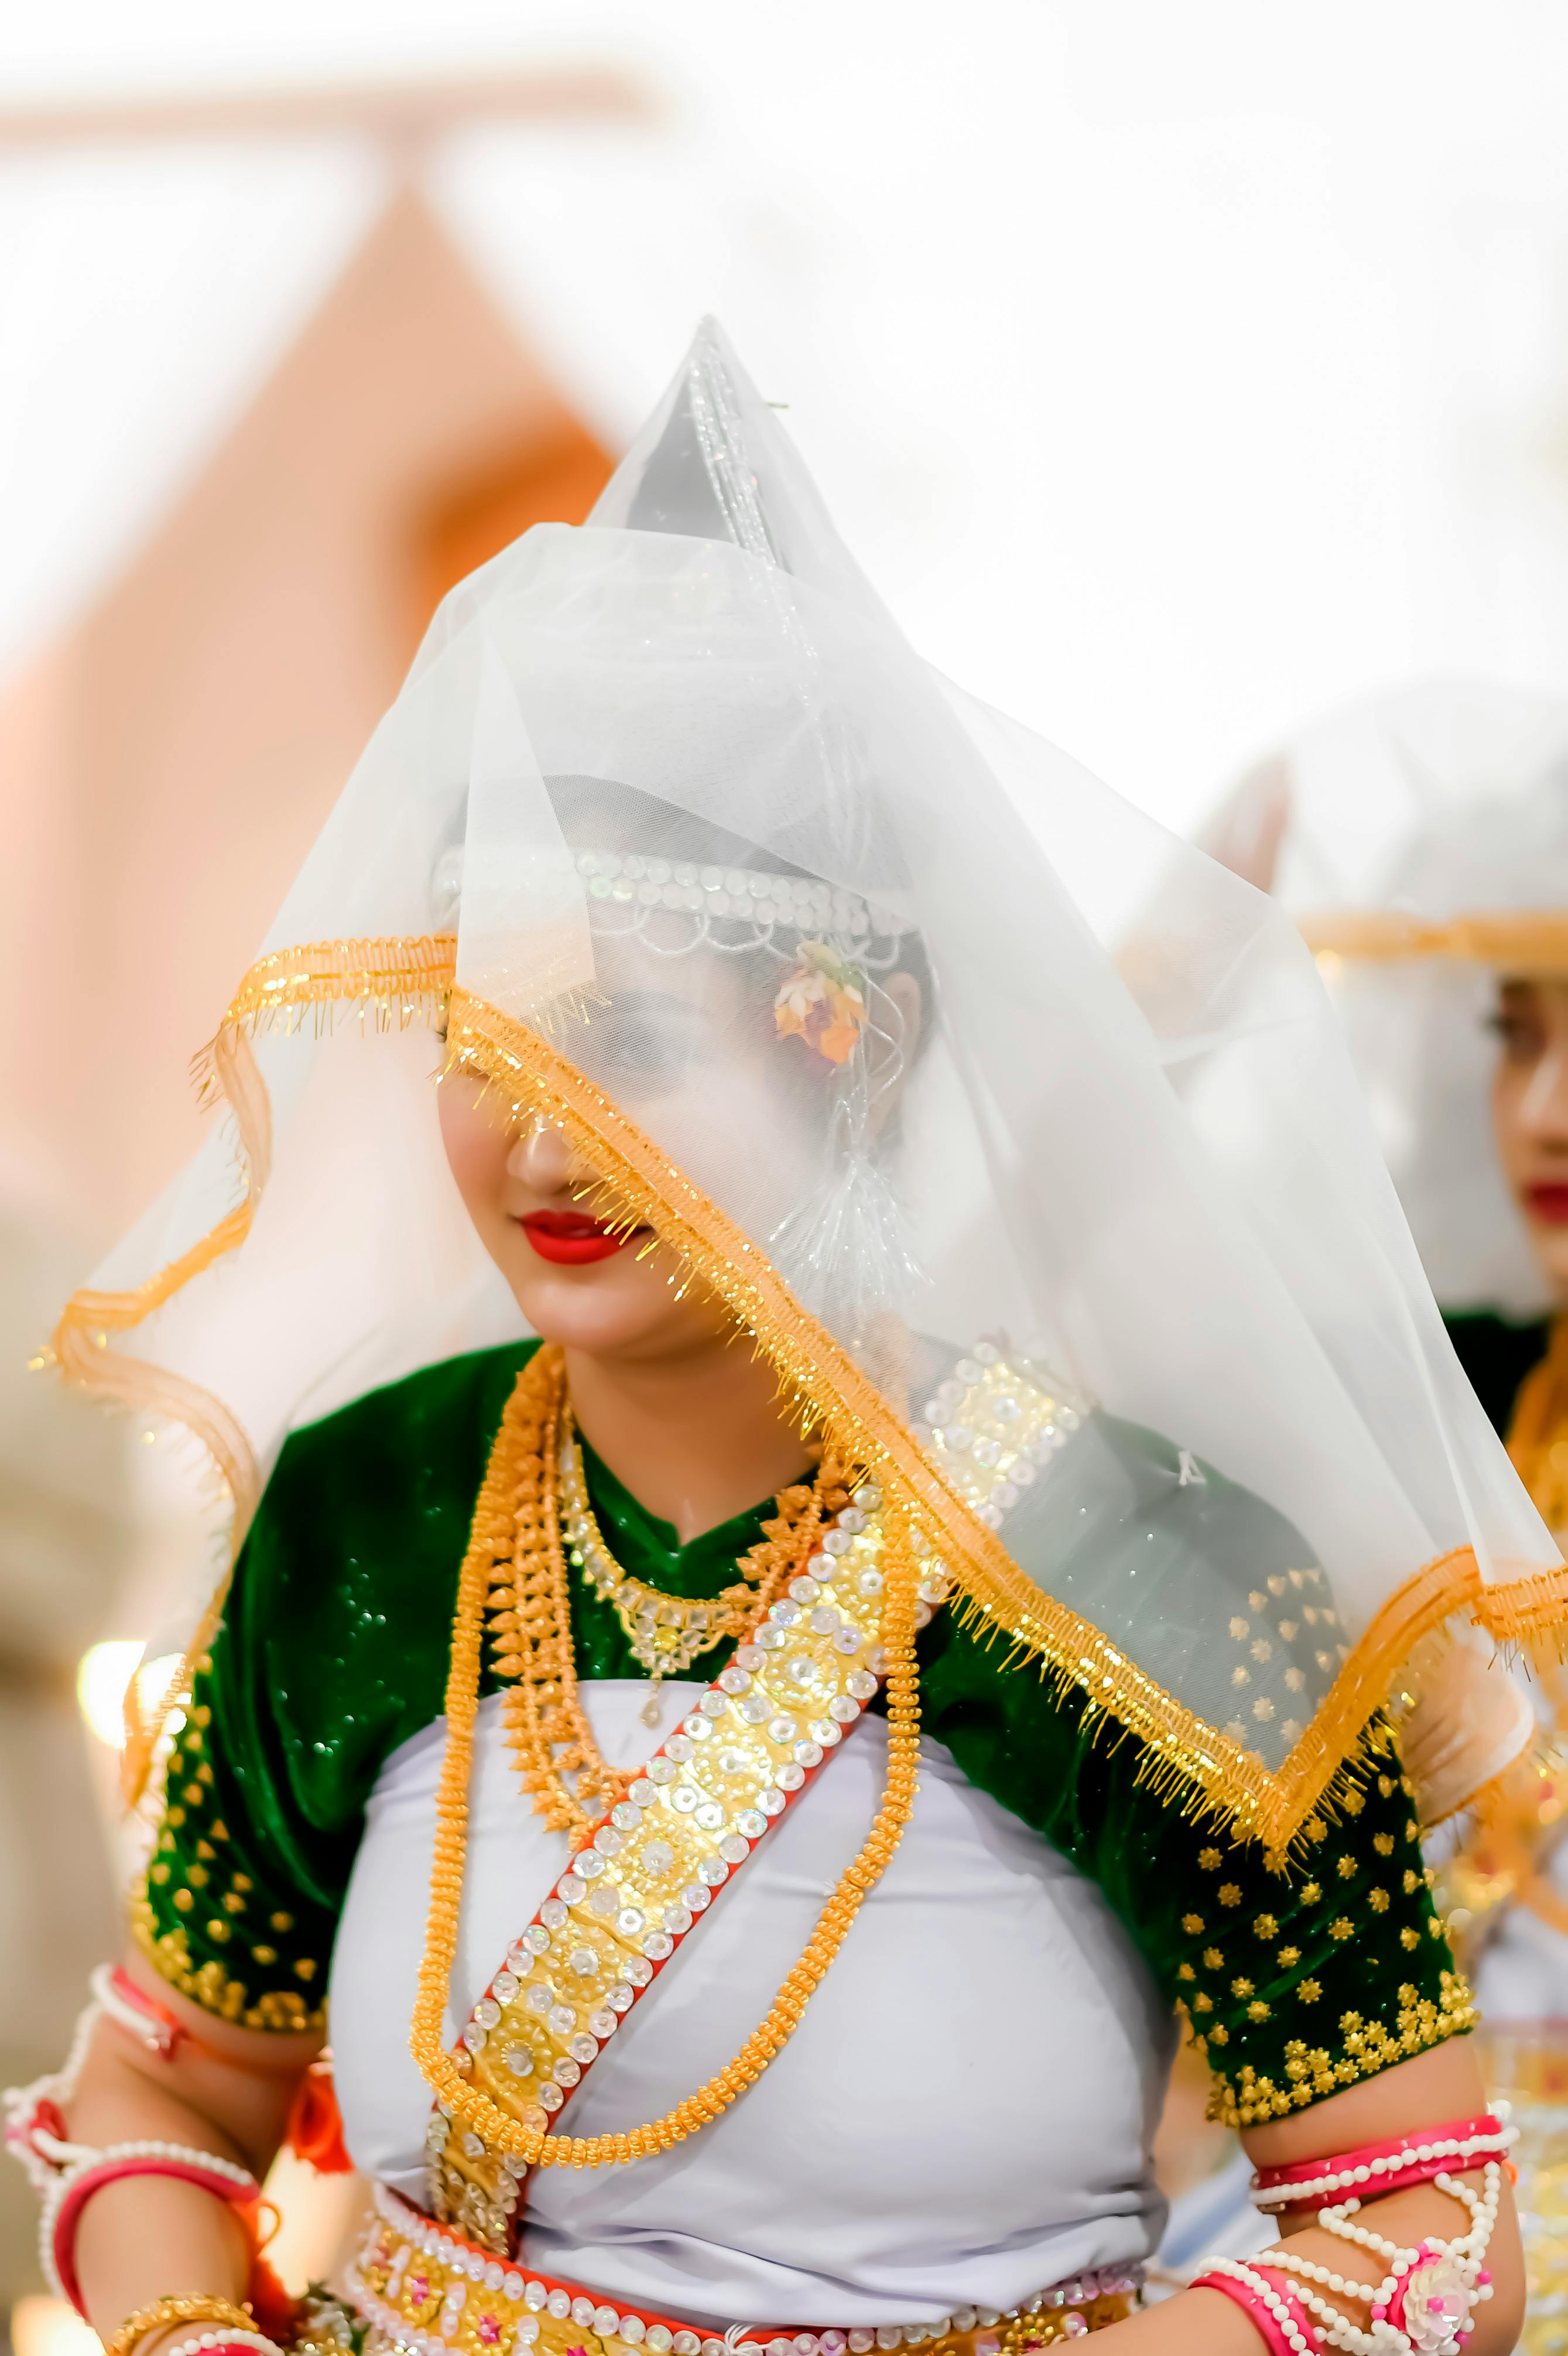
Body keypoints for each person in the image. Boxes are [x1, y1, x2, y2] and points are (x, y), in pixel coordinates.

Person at [7, 331, 1553, 2356]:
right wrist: (190, 2333)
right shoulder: (371, 1509)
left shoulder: (1159, 1560)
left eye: (631, 1043)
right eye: (494, 1042)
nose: (543, 1138)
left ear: (856, 1041)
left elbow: (1420, 2228)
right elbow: (167, 2088)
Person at [1201, 678, 1568, 2340]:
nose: (1545, 1114)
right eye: (1517, 1032)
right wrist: (1162, 985)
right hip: (1390, 2228)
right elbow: (1044, 1346)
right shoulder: (1452, 1416)